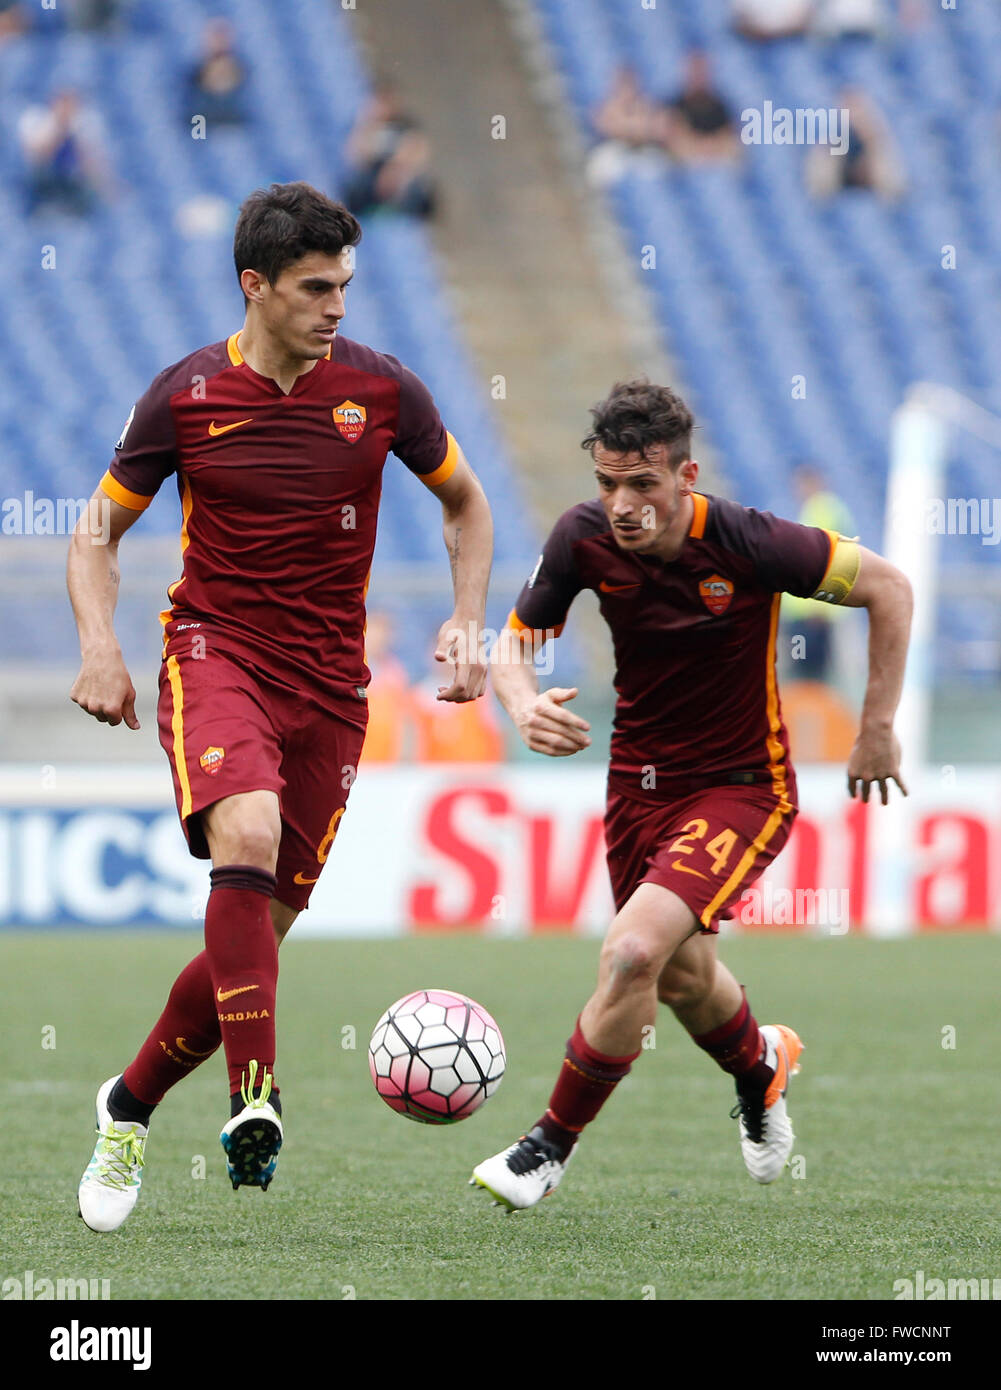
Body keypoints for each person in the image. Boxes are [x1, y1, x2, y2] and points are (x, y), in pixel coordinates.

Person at [68, 181, 493, 1231]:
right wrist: (99, 646)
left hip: (330, 691)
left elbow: (466, 505)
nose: (337, 306)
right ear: (255, 286)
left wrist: (467, 618)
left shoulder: (381, 391)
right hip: (214, 654)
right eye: (315, 288)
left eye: (345, 285)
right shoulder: (185, 396)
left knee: (250, 935)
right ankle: (254, 1094)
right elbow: (94, 534)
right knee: (244, 832)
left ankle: (126, 1105)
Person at [471, 380, 911, 1210]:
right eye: (607, 485)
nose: (622, 505)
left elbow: (889, 588)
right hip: (636, 789)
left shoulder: (748, 540)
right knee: (677, 976)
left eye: (641, 484)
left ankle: (545, 1148)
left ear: (685, 476)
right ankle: (759, 1066)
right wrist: (523, 703)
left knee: (632, 952)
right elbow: (513, 643)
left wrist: (875, 728)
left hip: (741, 786)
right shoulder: (580, 537)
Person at [18, 88, 109, 216]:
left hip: (73, 179)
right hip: (48, 178)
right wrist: (59, 130)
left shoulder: (82, 127)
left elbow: (90, 160)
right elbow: (38, 156)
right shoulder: (41, 123)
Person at [661, 52, 740, 165]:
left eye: (702, 72)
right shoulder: (673, 107)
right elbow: (674, 143)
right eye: (695, 71)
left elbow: (731, 142)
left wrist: (705, 147)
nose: (698, 76)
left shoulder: (721, 106)